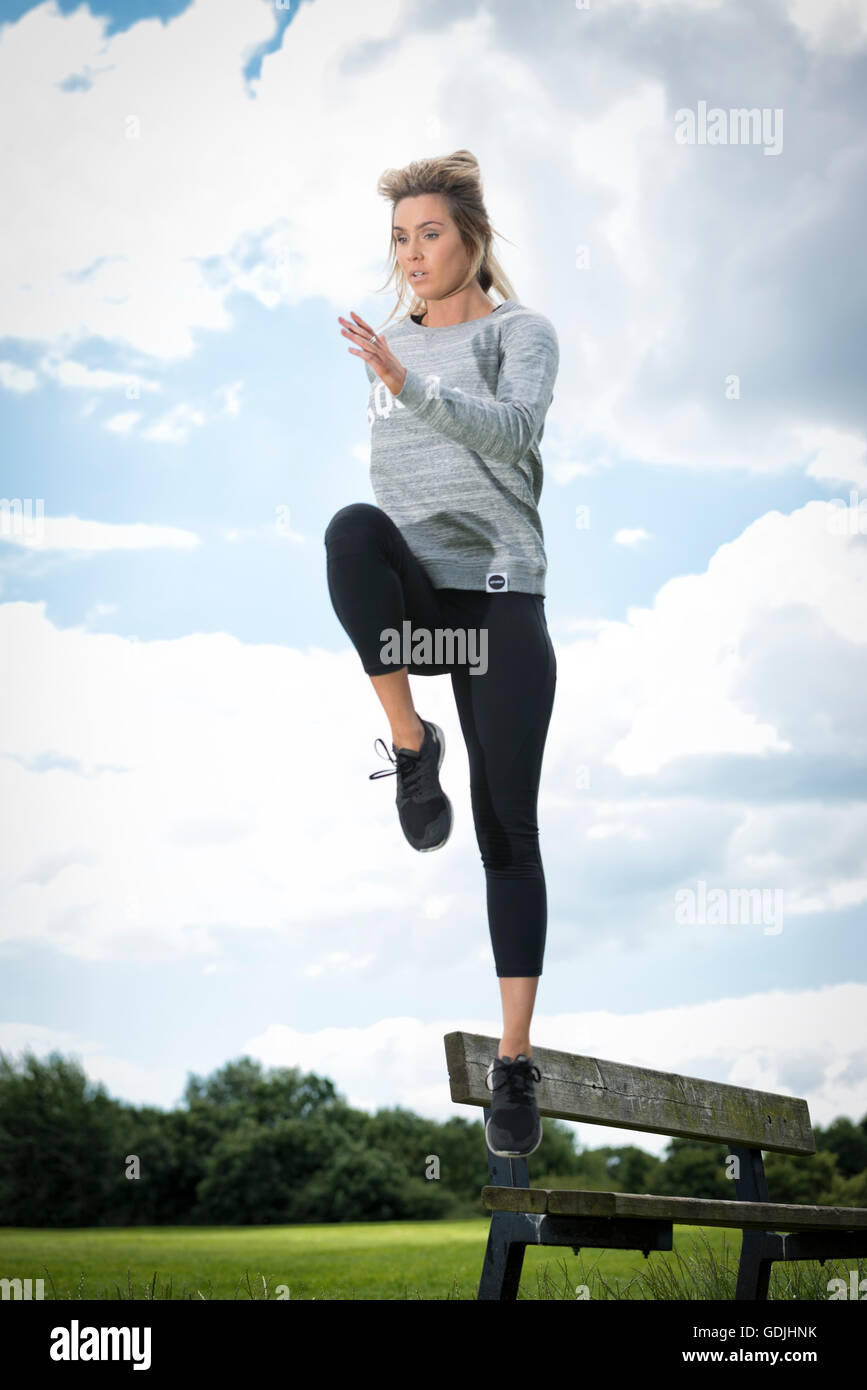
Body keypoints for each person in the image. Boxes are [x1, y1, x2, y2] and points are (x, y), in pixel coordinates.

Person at [323, 150, 559, 1158]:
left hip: (501, 607)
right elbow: (403, 501)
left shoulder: (521, 334)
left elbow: (511, 436)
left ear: (470, 236)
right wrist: (398, 373)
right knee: (348, 529)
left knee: (507, 829)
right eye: (399, 238)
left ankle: (514, 1062)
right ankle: (412, 743)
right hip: (429, 610)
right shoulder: (388, 347)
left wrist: (408, 383)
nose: (411, 254)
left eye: (428, 233)